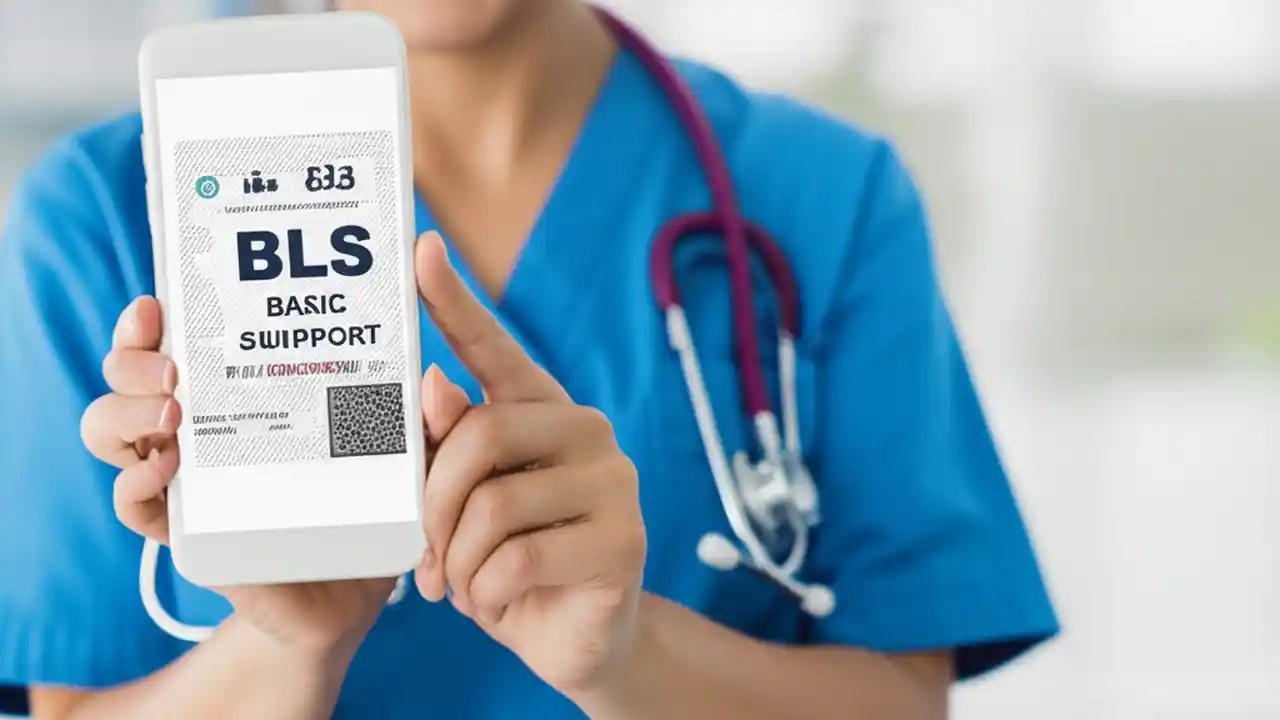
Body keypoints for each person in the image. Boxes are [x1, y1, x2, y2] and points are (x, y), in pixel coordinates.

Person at [0, 1, 1058, 717]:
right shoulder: (102, 218)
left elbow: (898, 700)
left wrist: (625, 657)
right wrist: (283, 646)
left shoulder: (824, 196)